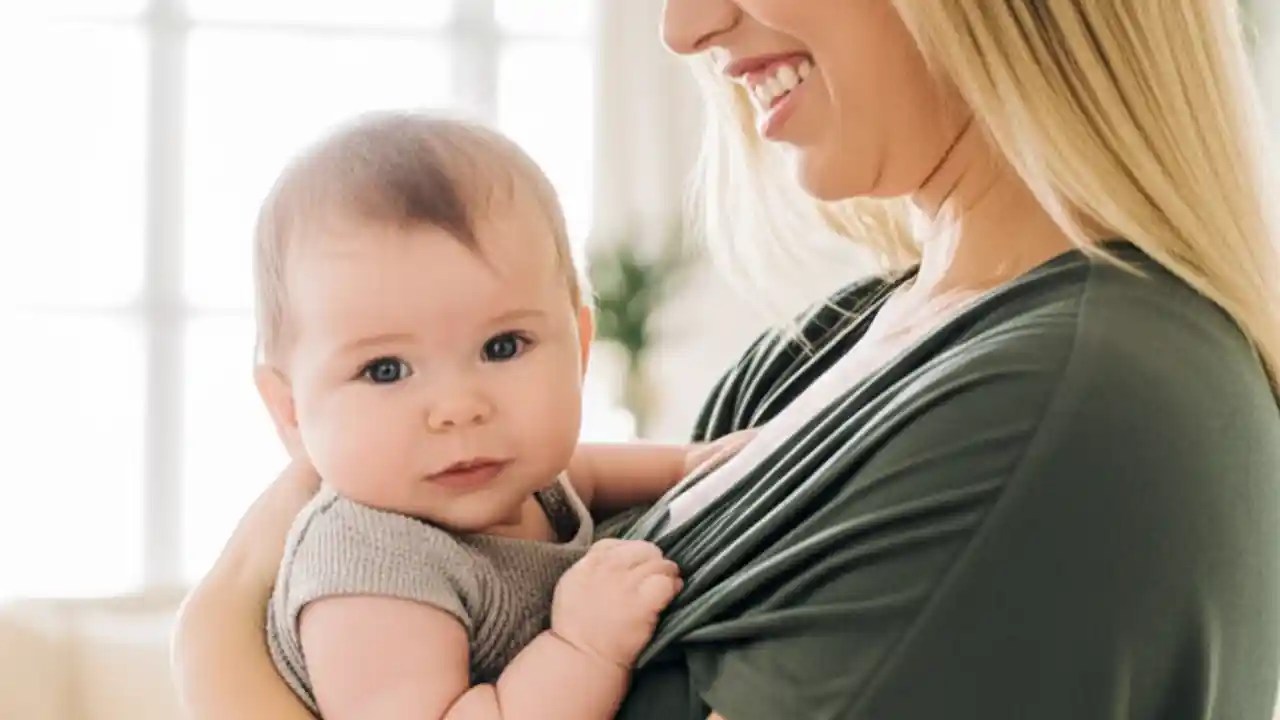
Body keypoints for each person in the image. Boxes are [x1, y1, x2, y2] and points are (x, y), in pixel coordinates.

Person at [173, 1, 1280, 718]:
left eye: (504, 344)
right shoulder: (828, 352)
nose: (684, 23)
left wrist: (219, 659)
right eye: (384, 369)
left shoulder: (1061, 411)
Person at [239, 112, 752, 719]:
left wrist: (693, 465)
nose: (459, 409)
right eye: (385, 370)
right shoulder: (367, 565)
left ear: (581, 349)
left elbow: (583, 475)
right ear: (291, 411)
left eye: (502, 347)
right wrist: (582, 645)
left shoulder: (522, 478)